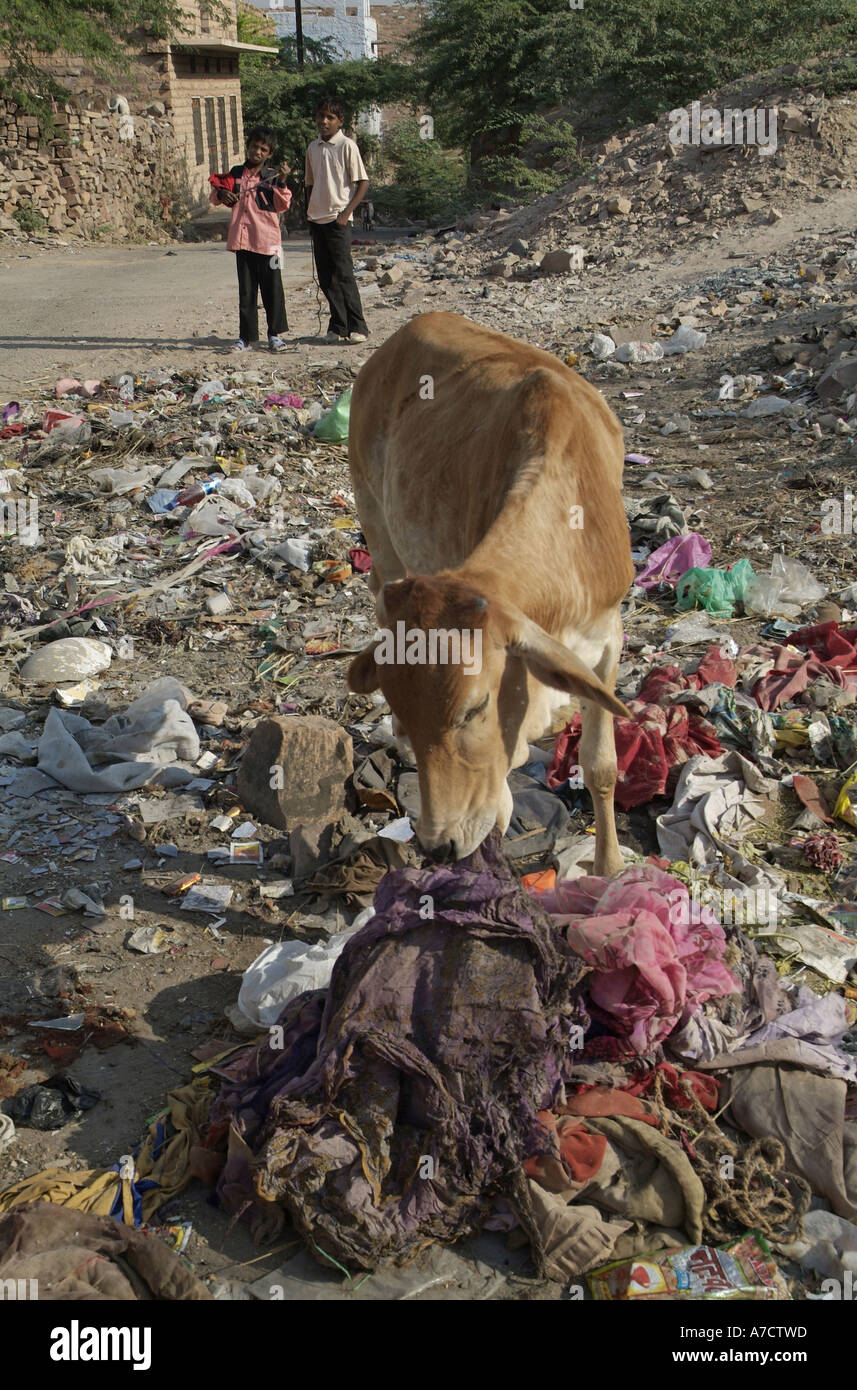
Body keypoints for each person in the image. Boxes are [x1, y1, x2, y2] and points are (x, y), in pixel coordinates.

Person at [209, 126, 292, 352]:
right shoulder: (236, 174)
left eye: (263, 149)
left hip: (270, 243)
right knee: (246, 291)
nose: (257, 151)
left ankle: (275, 335)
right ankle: (246, 338)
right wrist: (221, 193)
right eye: (255, 146)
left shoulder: (271, 176)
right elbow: (214, 197)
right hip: (243, 242)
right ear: (249, 146)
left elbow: (283, 204)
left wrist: (282, 181)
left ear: (269, 154)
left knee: (273, 290)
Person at [305, 97, 370, 344]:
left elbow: (362, 182)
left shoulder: (347, 146)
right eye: (321, 116)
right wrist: (309, 212)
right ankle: (338, 324)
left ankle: (358, 326)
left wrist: (346, 214)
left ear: (339, 121)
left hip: (338, 219)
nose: (324, 121)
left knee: (343, 274)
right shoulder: (313, 148)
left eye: (330, 117)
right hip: (317, 219)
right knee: (325, 276)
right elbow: (310, 184)